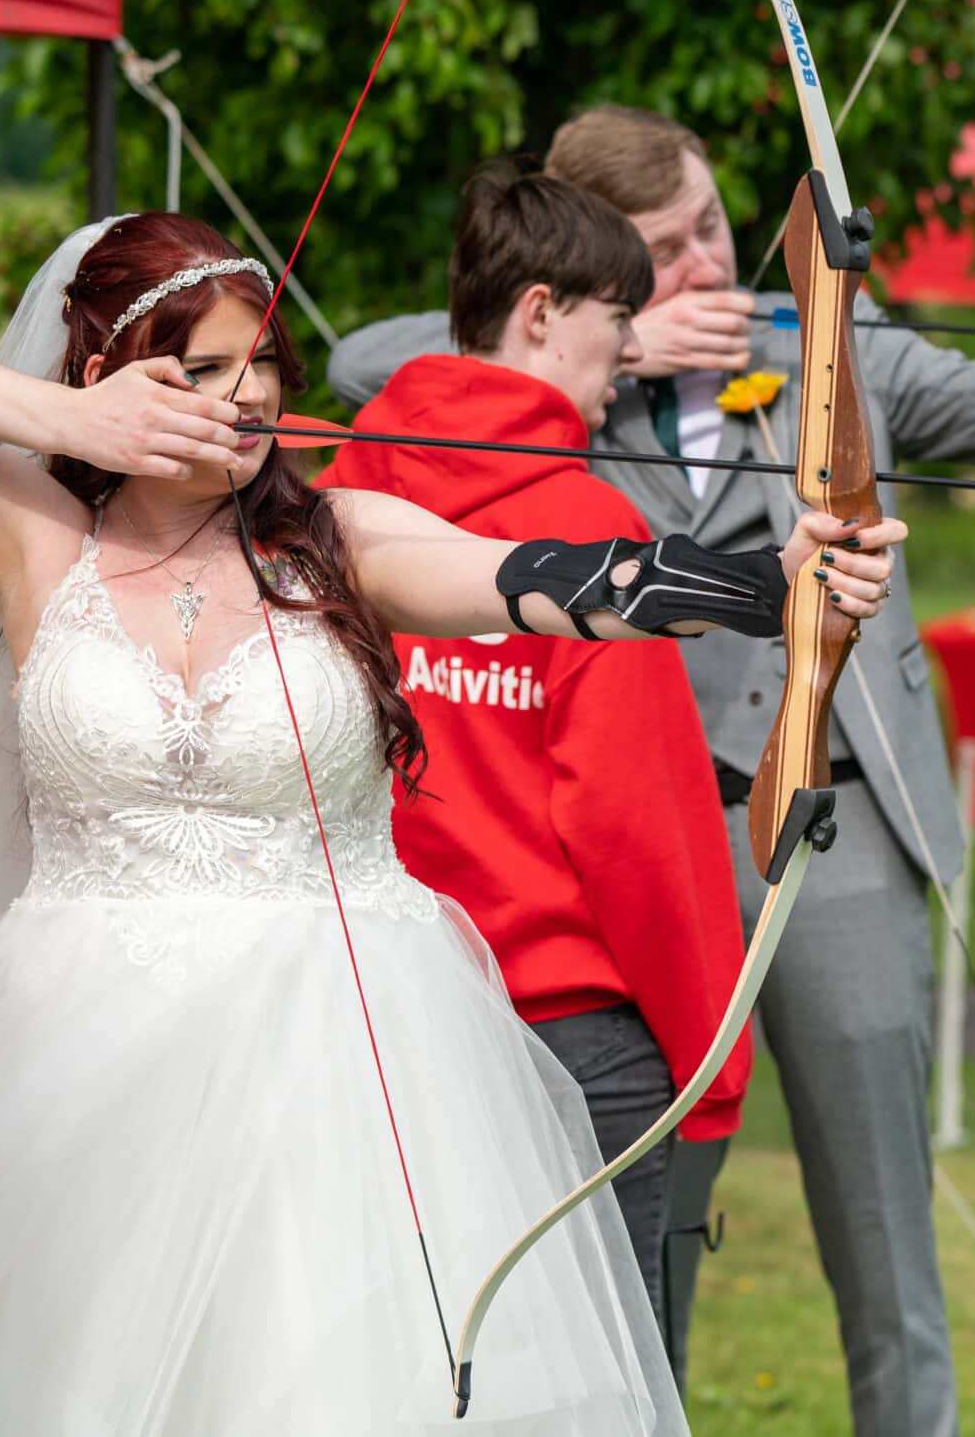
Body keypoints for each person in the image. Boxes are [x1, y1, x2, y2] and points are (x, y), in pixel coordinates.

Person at [330, 103, 975, 1437]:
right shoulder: (552, 373)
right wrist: (627, 332)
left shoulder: (810, 336)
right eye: (666, 247)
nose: (709, 265)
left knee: (881, 1209)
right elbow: (381, 359)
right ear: (585, 272)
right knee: (652, 1201)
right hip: (629, 849)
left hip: (826, 822)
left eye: (712, 227)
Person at [0, 210, 903, 1434]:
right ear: (111, 373)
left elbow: (543, 581)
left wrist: (769, 585)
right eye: (201, 367)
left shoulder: (342, 536)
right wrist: (67, 422)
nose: (247, 393)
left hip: (334, 1060)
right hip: (72, 1053)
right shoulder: (32, 537)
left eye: (259, 360)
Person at [316, 163, 752, 1356]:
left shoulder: (337, 498)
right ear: (543, 312)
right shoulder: (596, 530)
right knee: (609, 1380)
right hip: (566, 1033)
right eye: (619, 319)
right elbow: (634, 822)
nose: (629, 352)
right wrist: (712, 1046)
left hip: (367, 1017)